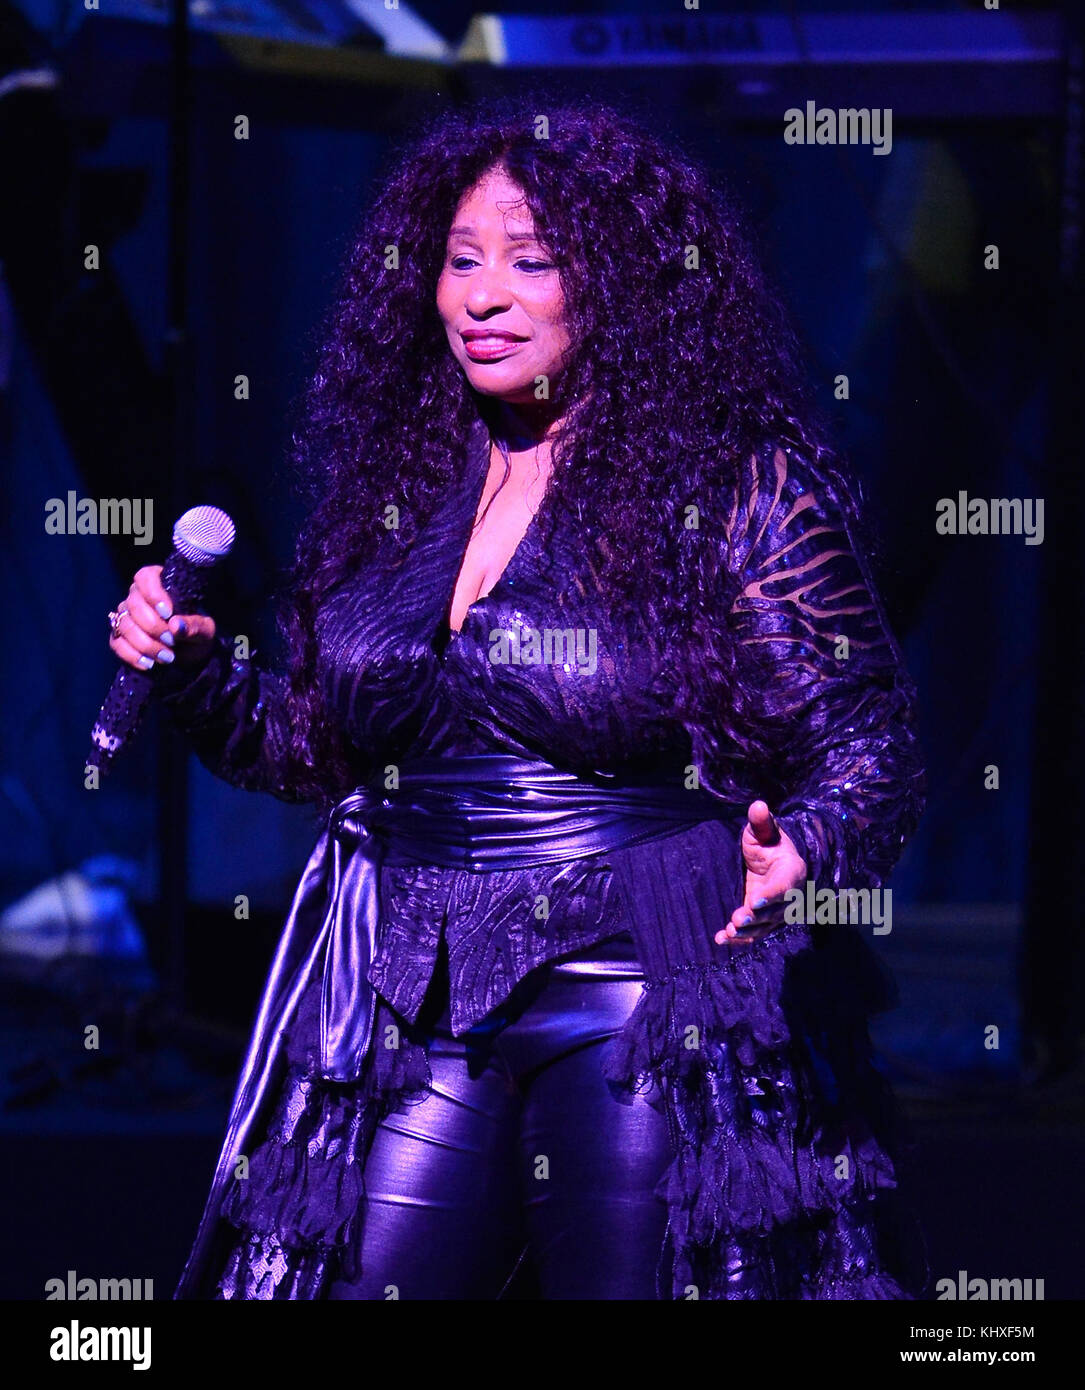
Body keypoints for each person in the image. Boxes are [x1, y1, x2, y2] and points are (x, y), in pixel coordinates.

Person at [107, 97, 927, 1300]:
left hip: (641, 983)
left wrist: (807, 844)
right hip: (412, 980)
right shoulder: (404, 485)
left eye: (530, 262)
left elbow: (869, 743)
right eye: (459, 260)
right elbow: (318, 748)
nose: (480, 296)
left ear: (621, 287)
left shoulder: (735, 483)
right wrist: (194, 671)